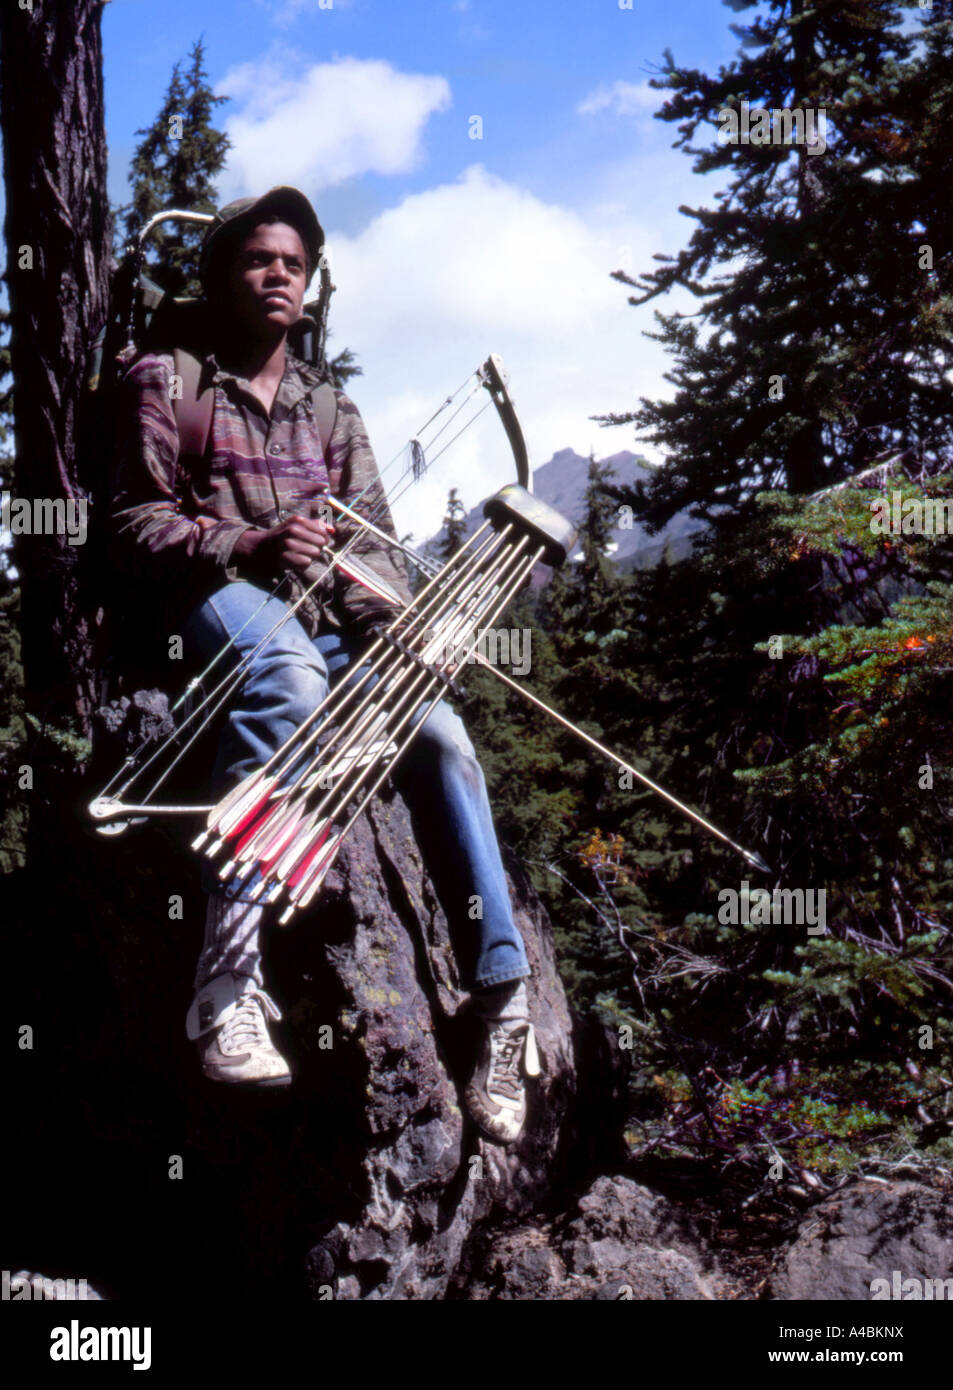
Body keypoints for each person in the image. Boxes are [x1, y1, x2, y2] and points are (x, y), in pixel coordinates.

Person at [108, 186, 540, 1144]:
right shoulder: (165, 381)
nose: (277, 276)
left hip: (325, 619)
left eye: (294, 265)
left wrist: (396, 630)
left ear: (311, 288)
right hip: (208, 605)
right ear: (225, 272)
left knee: (438, 736)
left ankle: (502, 999)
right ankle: (225, 986)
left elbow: (374, 543)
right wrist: (250, 546)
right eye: (260, 259)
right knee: (289, 680)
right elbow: (134, 525)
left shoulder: (329, 406)